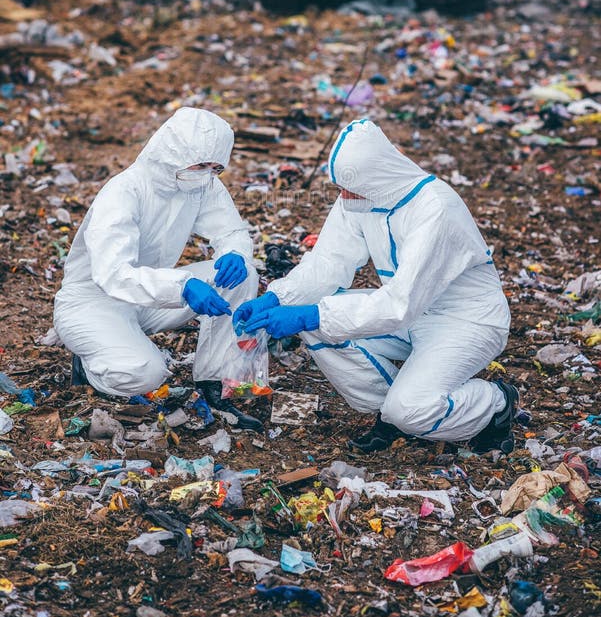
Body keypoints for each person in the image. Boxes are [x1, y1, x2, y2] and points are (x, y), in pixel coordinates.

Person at [235, 118, 516, 453]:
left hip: (465, 320)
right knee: (320, 327)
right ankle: (393, 414)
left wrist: (310, 314)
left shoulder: (434, 209)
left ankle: (496, 403)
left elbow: (399, 303)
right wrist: (277, 298)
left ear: (378, 175)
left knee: (407, 406)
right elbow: (329, 263)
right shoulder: (361, 197)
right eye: (340, 187)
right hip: (412, 315)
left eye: (349, 187)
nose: (343, 196)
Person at [54, 108, 262, 430]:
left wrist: (234, 252)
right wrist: (182, 287)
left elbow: (231, 231)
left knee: (243, 277)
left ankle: (215, 382)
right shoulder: (124, 191)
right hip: (92, 302)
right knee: (145, 374)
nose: (207, 174)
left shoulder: (199, 185)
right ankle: (90, 364)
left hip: (146, 297)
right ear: (173, 152)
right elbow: (113, 273)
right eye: (201, 164)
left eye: (215, 168)